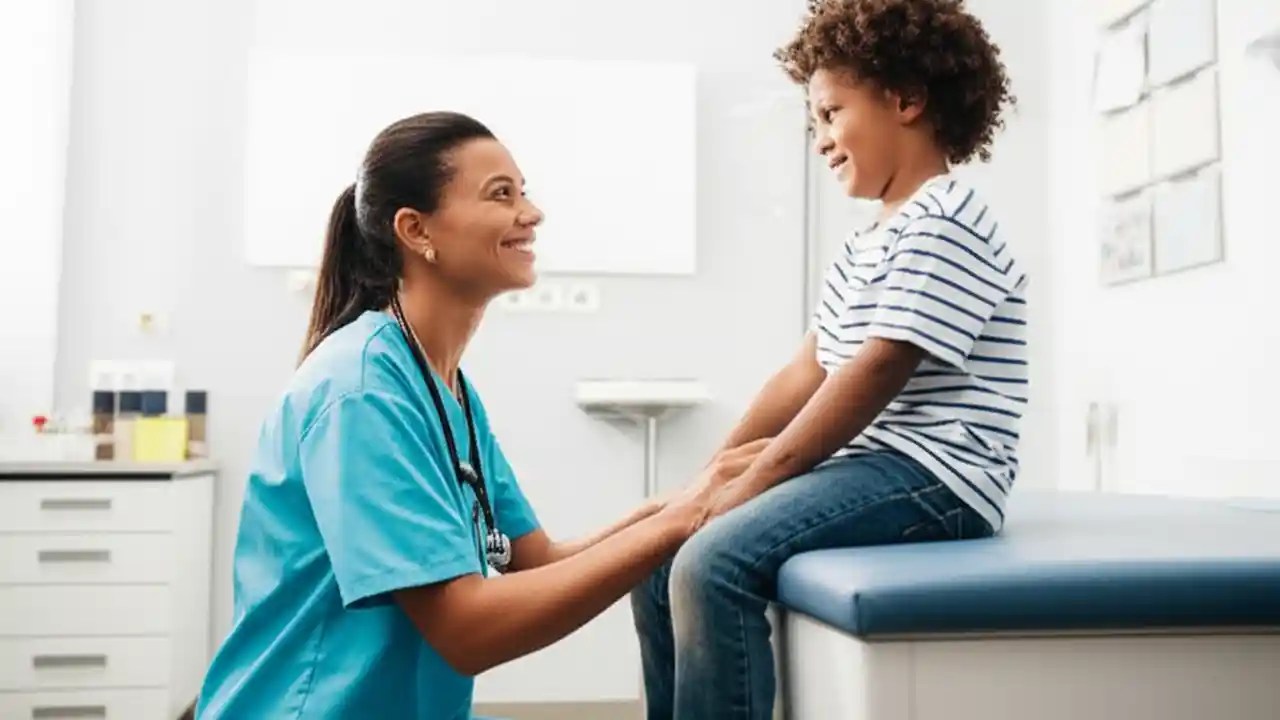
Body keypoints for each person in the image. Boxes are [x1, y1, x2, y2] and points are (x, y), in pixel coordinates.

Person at [194, 111, 768, 719]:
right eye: (502, 195)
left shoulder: (443, 386)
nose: (532, 213)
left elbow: (539, 561)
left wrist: (684, 500)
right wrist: (680, 521)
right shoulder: (360, 391)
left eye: (524, 192)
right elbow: (467, 630)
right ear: (416, 231)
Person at [629, 0, 1025, 717]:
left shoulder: (948, 219)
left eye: (831, 113)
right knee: (657, 557)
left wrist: (752, 483)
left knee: (711, 563)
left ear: (906, 100)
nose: (820, 140)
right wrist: (710, 479)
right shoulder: (868, 240)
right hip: (875, 466)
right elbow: (805, 372)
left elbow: (873, 371)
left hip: (938, 474)